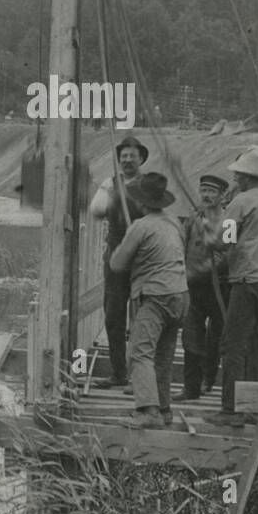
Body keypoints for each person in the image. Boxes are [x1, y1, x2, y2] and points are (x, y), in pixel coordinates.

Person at [205, 147, 258, 427]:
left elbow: (223, 241)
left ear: (246, 177)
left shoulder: (241, 201)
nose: (236, 178)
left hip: (249, 280)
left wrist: (210, 236)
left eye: (238, 174)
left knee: (233, 345)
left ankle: (231, 410)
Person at [109, 172, 188, 429]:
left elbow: (117, 264)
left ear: (140, 202)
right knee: (163, 356)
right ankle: (164, 409)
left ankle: (147, 411)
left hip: (156, 296)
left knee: (139, 353)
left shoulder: (140, 226)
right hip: (180, 295)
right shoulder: (174, 222)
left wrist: (123, 247)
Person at [90, 135, 149, 389]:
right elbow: (96, 212)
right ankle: (118, 373)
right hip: (116, 258)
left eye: (131, 156)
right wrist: (106, 190)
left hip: (142, 258)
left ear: (141, 159)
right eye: (123, 157)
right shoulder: (111, 184)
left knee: (143, 318)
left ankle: (141, 376)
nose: (127, 160)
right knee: (114, 316)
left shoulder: (149, 186)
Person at [181, 173, 230, 399]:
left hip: (220, 288)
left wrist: (201, 271)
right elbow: (183, 245)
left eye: (212, 192)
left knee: (217, 338)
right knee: (191, 335)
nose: (207, 195)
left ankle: (208, 380)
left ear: (222, 196)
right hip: (193, 287)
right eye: (204, 191)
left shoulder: (229, 222)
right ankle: (191, 388)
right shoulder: (193, 218)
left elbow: (228, 255)